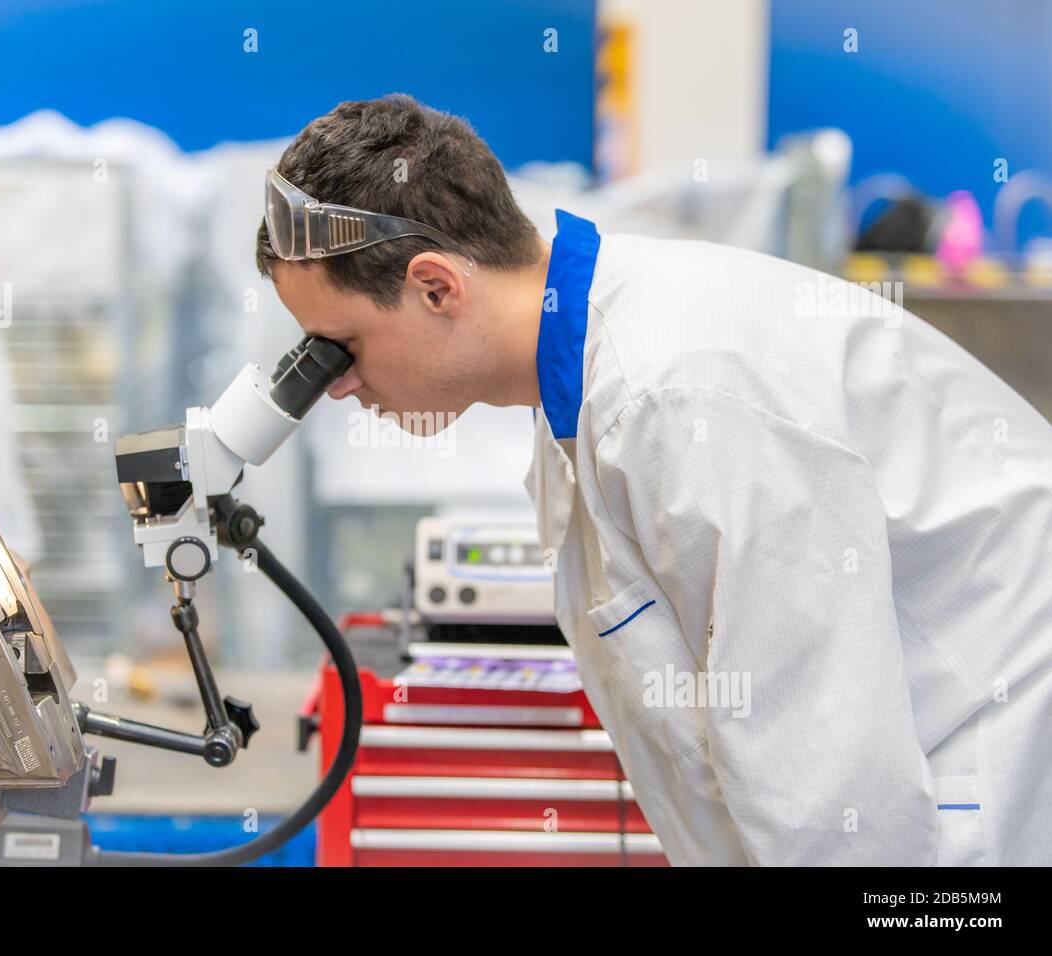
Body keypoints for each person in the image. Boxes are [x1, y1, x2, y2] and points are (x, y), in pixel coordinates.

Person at [255, 94, 1052, 865]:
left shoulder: (680, 392)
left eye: (341, 344)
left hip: (979, 782)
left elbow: (829, 785)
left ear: (436, 286)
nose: (337, 386)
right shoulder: (586, 380)